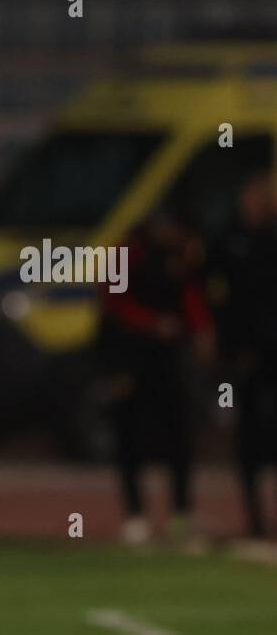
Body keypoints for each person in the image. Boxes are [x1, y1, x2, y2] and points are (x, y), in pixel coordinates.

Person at [99, 211, 213, 545]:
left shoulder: (179, 259)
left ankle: (182, 512)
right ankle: (135, 515)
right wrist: (150, 323)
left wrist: (202, 329)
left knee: (178, 434)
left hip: (168, 361)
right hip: (129, 359)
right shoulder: (124, 255)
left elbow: (191, 298)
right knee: (129, 435)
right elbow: (113, 303)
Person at [208, 172, 277, 537]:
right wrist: (222, 341)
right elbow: (210, 292)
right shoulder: (227, 241)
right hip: (244, 355)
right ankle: (254, 516)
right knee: (247, 434)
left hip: (271, 352)